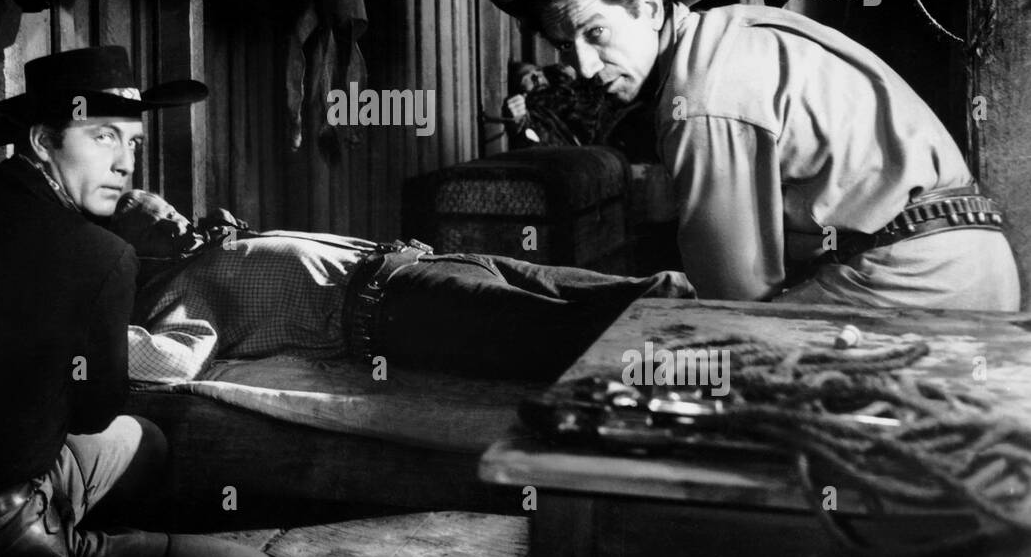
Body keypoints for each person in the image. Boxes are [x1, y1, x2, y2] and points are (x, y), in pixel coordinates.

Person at [0, 46, 276, 557]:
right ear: (42, 141)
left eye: (132, 142)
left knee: (145, 440)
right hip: (4, 539)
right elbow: (92, 411)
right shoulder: (100, 256)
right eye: (103, 135)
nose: (125, 163)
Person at [488, 0, 1022, 310]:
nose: (581, 65)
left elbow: (735, 299)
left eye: (596, 33)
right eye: (563, 46)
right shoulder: (730, 32)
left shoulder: (701, 96)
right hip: (970, 263)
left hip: (917, 282)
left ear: (651, 7)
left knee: (718, 367)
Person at [107, 188, 695, 385]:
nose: (176, 218)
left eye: (171, 208)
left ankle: (729, 324)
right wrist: (86, 334)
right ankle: (710, 373)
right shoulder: (178, 292)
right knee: (575, 336)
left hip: (428, 261)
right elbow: (172, 362)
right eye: (154, 220)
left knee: (637, 290)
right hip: (395, 310)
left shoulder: (210, 243)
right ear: (131, 249)